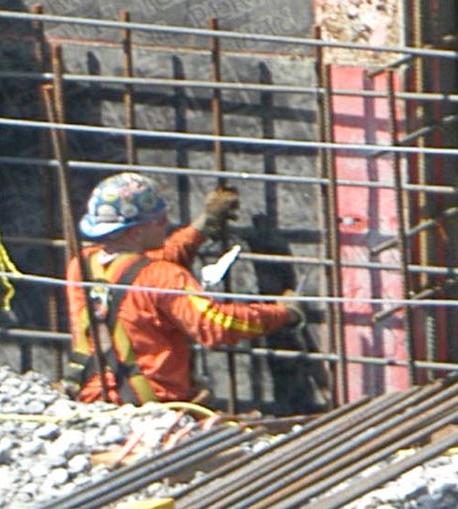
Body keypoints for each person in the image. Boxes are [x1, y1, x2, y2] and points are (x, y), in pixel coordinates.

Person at [65, 170, 304, 406]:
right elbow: (215, 325)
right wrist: (284, 313)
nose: (167, 223)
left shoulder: (82, 265)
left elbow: (140, 268)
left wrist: (201, 228)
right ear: (136, 231)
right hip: (151, 406)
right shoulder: (164, 277)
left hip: (94, 398)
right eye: (159, 220)